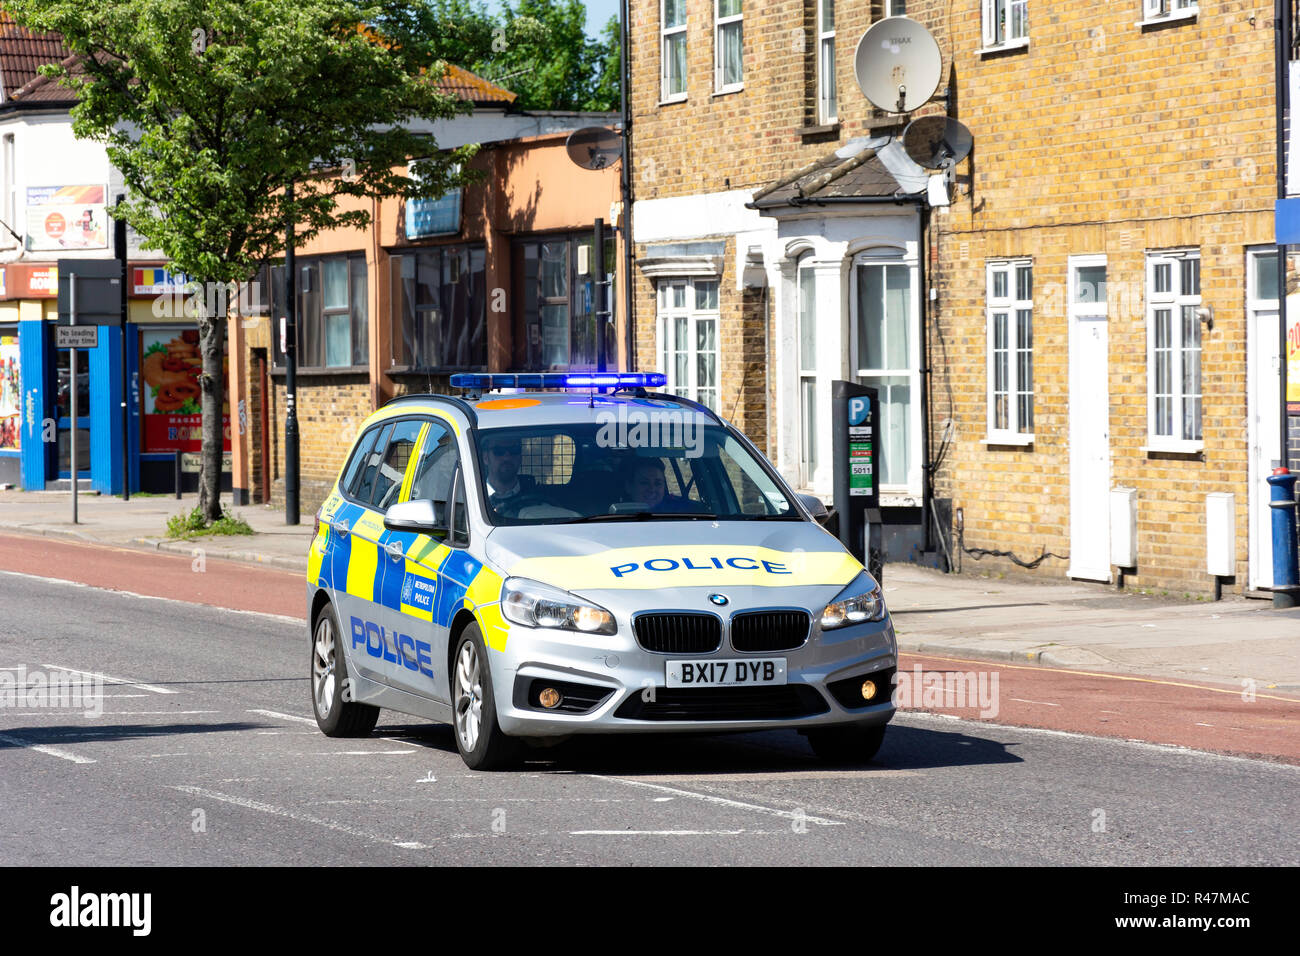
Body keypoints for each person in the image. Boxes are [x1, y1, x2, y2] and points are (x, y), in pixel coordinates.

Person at [620, 457, 701, 513]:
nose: (652, 489)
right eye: (644, 483)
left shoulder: (682, 512)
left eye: (658, 483)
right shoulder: (613, 516)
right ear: (629, 487)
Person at [481, 435, 534, 505]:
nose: (507, 458)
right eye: (499, 451)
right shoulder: (473, 495)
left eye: (514, 450)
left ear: (520, 457)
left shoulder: (535, 498)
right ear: (486, 457)